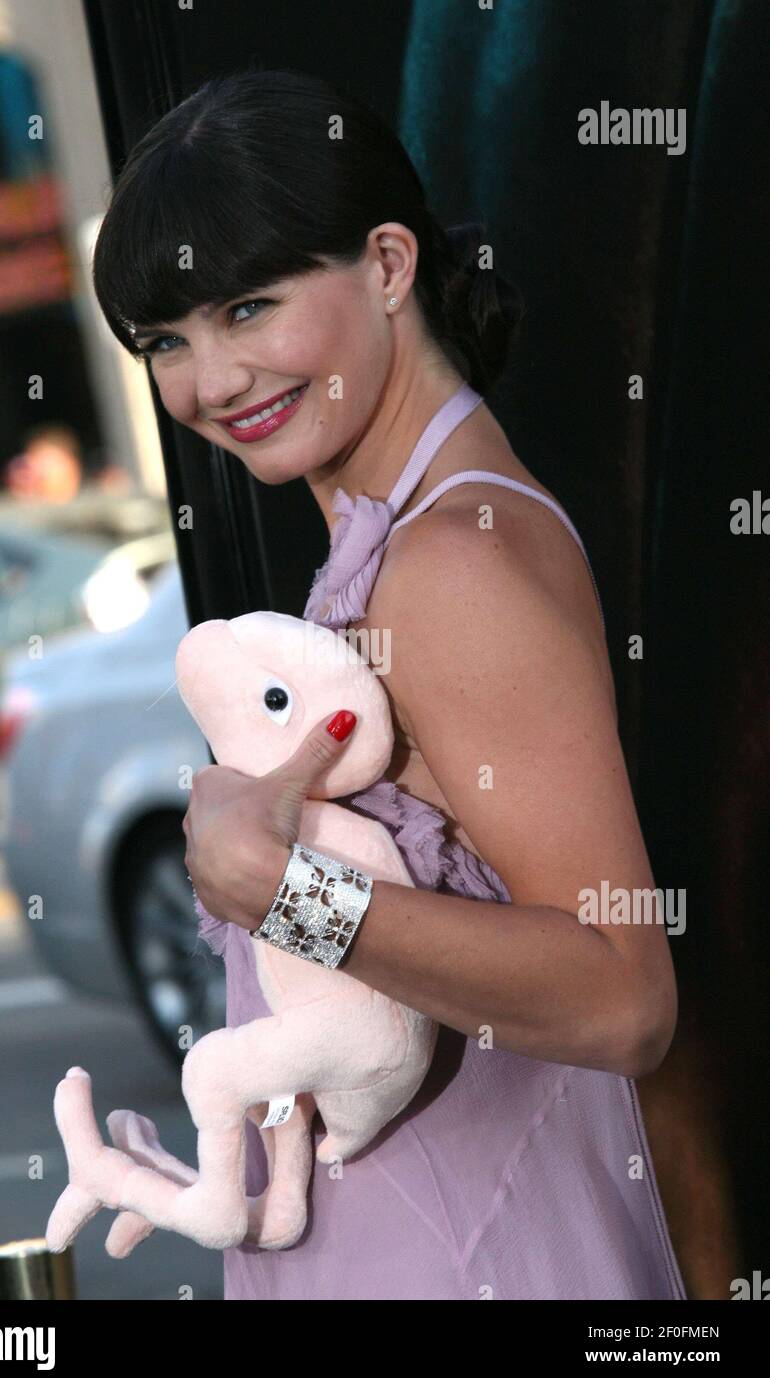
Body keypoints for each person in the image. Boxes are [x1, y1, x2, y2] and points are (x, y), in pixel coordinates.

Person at [91, 67, 686, 1300]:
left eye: (249, 308)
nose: (210, 381)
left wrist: (282, 892)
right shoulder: (404, 533)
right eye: (165, 341)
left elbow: (624, 996)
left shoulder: (447, 564)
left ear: (386, 266)